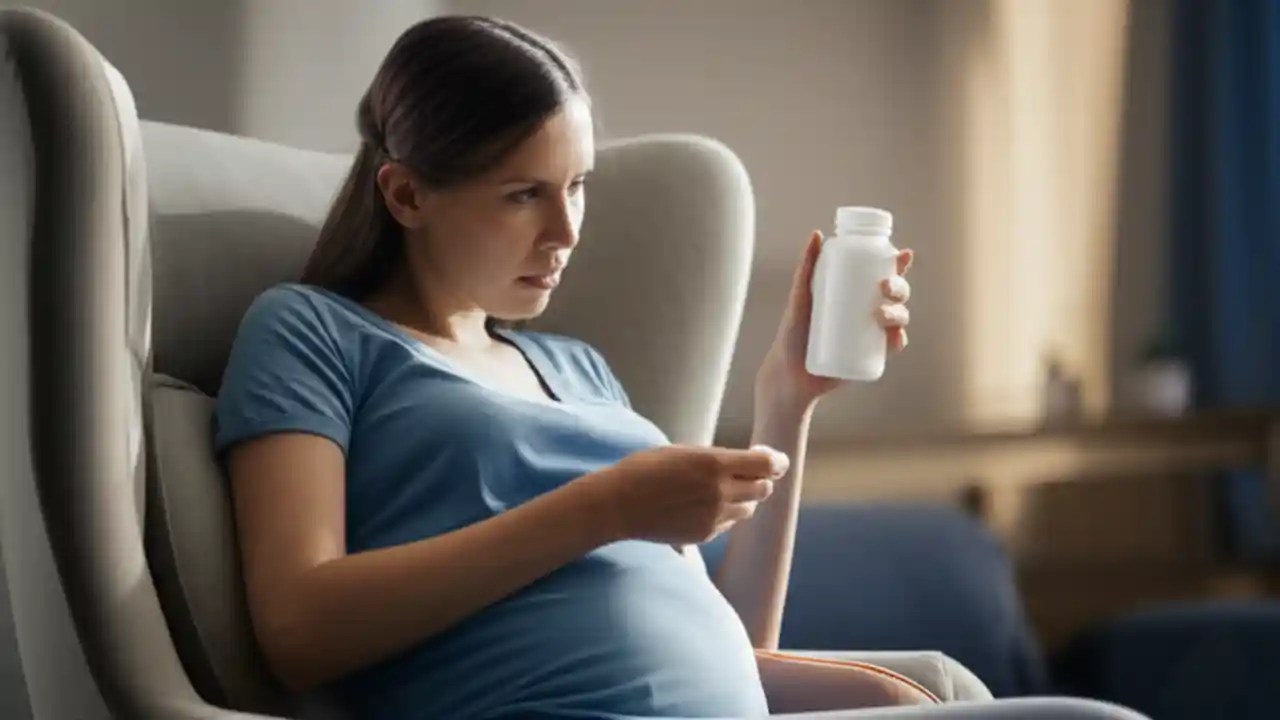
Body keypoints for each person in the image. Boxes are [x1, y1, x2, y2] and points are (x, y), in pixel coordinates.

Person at [214, 15, 922, 720]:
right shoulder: (315, 332)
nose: (568, 231)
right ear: (407, 195)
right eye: (524, 194)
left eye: (576, 185)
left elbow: (736, 645)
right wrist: (606, 507)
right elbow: (298, 632)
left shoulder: (581, 371)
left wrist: (787, 398)